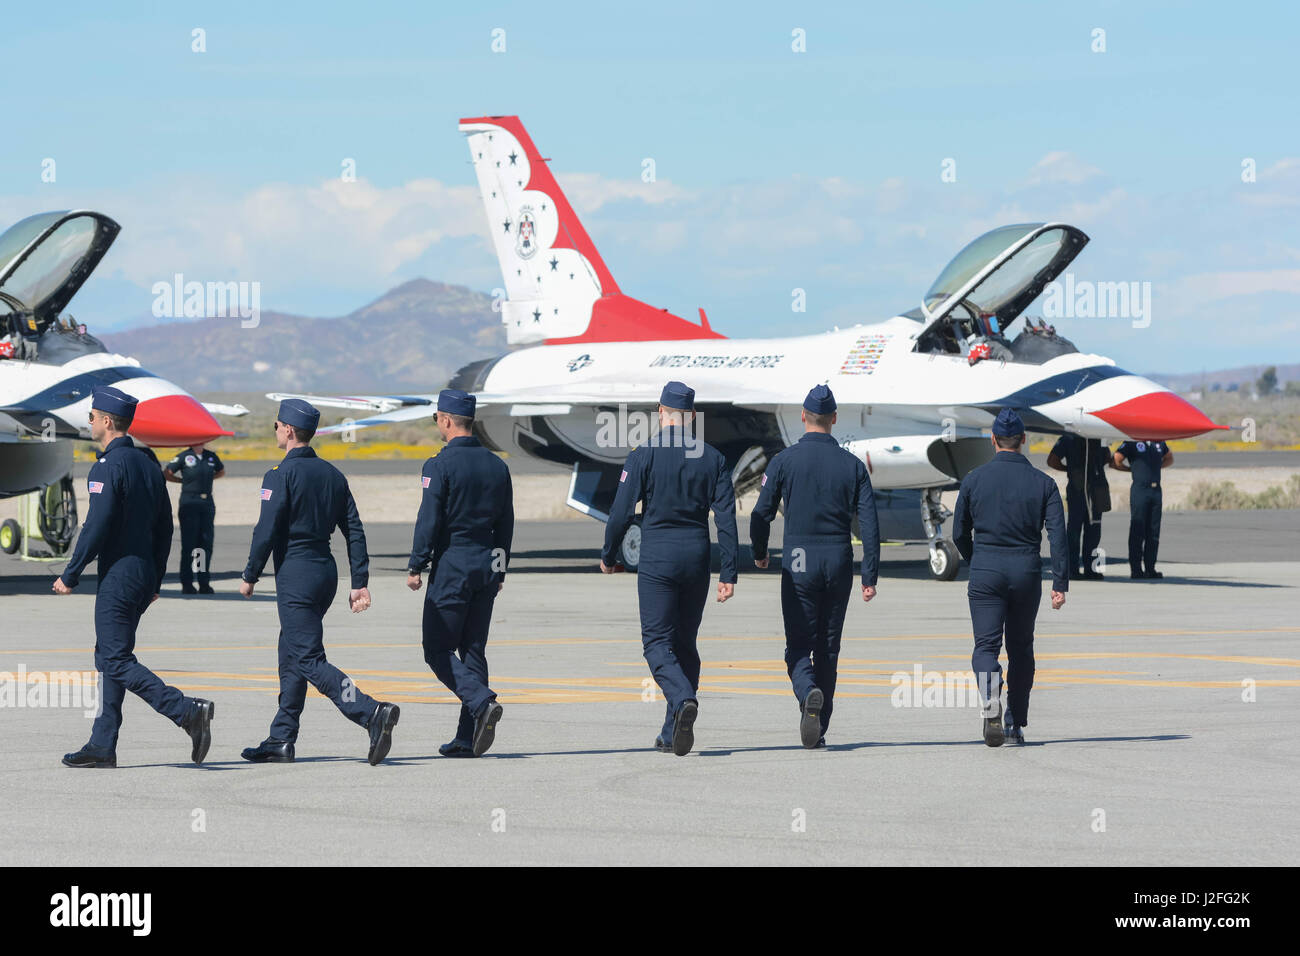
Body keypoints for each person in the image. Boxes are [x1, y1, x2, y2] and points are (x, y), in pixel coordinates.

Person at [54, 386, 215, 768]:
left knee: (115, 658)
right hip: (143, 573)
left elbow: (96, 525)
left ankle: (185, 710)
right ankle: (102, 744)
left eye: (92, 417)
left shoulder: (109, 466)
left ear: (107, 422)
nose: (89, 422)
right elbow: (165, 527)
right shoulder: (148, 464)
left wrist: (71, 574)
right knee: (111, 655)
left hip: (120, 574)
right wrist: (156, 577)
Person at [239, 399, 399, 765]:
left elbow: (266, 529)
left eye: (277, 425)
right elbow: (354, 529)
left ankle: (370, 712)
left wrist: (250, 574)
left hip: (296, 574)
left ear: (289, 431)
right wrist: (359, 579)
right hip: (325, 573)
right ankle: (281, 739)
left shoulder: (279, 475)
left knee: (308, 658)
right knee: (291, 653)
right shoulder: (333, 475)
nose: (275, 431)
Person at [601, 381, 738, 756]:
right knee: (685, 644)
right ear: (692, 417)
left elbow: (620, 513)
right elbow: (726, 519)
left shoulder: (642, 454)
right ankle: (671, 729)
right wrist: (728, 573)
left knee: (657, 643)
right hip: (696, 555)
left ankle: (681, 700)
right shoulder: (713, 458)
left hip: (659, 555)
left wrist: (609, 554)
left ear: (660, 413)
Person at [750, 384, 880, 749]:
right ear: (834, 419)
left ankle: (807, 691)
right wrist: (870, 574)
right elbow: (869, 523)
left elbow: (761, 513)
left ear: (803, 417)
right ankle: (819, 727)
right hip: (838, 558)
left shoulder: (783, 461)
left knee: (797, 647)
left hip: (798, 559)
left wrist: (759, 552)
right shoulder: (853, 465)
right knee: (828, 648)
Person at [407, 388, 514, 757]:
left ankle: (481, 701)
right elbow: (506, 524)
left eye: (437, 418)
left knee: (436, 649)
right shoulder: (498, 465)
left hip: (454, 564)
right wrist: (499, 571)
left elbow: (429, 520)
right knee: (472, 650)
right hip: (486, 566)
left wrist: (416, 564)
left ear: (447, 420)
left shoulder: (439, 465)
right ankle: (467, 737)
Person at [953, 408, 1068, 747]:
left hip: (986, 569)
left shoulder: (974, 479)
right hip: (1025, 571)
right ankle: (1015, 721)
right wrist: (1060, 583)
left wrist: (976, 561)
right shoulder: (1044, 484)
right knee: (1021, 648)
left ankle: (990, 696)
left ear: (993, 440)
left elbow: (959, 531)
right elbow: (1058, 537)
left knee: (986, 647)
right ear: (1023, 440)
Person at [1046, 434, 1110, 580]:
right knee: (1074, 531)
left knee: (1094, 530)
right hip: (1078, 489)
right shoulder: (1069, 438)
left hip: (1097, 490)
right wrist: (1070, 469)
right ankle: (1071, 569)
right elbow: (1052, 460)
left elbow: (1108, 456)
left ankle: (1091, 569)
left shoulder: (1100, 435)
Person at [164, 442, 225, 594]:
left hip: (207, 502)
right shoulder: (184, 456)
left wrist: (209, 480)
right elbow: (167, 472)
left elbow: (221, 471)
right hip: (189, 501)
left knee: (205, 545)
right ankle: (187, 583)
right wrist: (182, 481)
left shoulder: (210, 456)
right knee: (189, 544)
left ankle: (204, 582)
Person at [1112, 439, 1173, 579]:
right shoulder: (1131, 441)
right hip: (1140, 490)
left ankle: (1150, 568)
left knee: (1153, 531)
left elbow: (1169, 458)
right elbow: (1116, 460)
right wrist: (1130, 469)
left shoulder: (1159, 442)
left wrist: (1157, 467)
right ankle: (1136, 569)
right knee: (1137, 530)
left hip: (1156, 490)